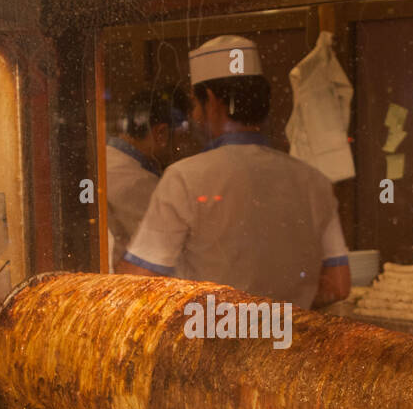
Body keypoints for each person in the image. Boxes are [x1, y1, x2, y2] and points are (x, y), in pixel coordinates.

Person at [118, 35, 351, 310]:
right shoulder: (315, 180)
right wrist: (280, 312)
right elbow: (338, 284)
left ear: (213, 101)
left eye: (195, 104)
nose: (194, 116)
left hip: (213, 344)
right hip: (289, 344)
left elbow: (135, 283)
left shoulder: (185, 178)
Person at [105, 87, 191, 268]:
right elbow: (172, 253)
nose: (184, 145)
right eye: (182, 136)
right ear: (161, 133)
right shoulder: (136, 181)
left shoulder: (106, 159)